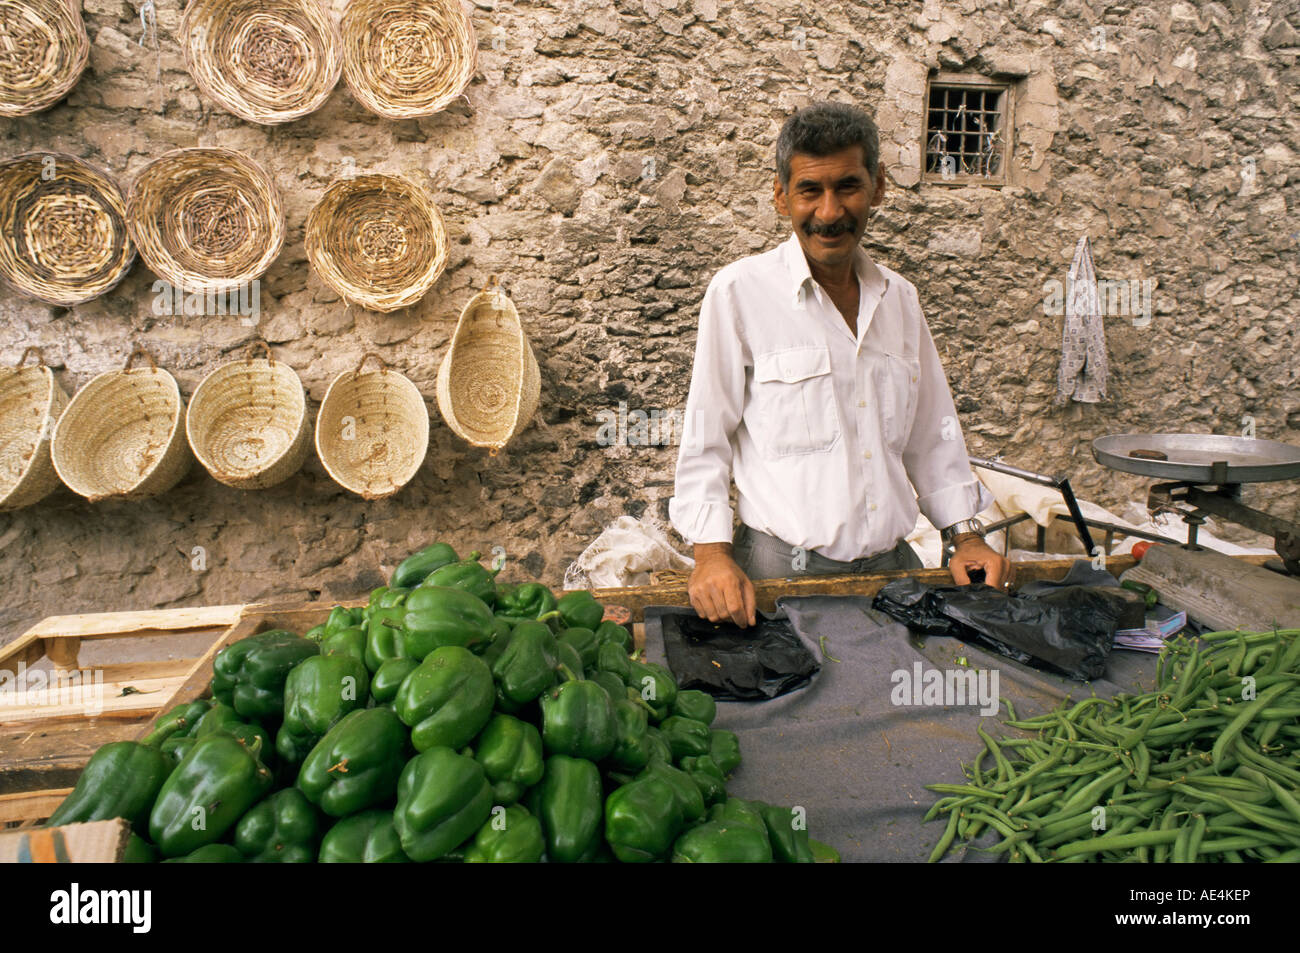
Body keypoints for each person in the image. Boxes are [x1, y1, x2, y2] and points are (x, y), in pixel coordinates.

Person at [669, 102, 1012, 628]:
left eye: (848, 187)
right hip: (777, 576)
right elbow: (706, 439)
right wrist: (711, 555)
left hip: (895, 572)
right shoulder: (739, 293)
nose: (829, 213)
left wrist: (966, 537)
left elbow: (933, 437)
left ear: (878, 187)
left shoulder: (900, 299)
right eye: (810, 190)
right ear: (781, 195)